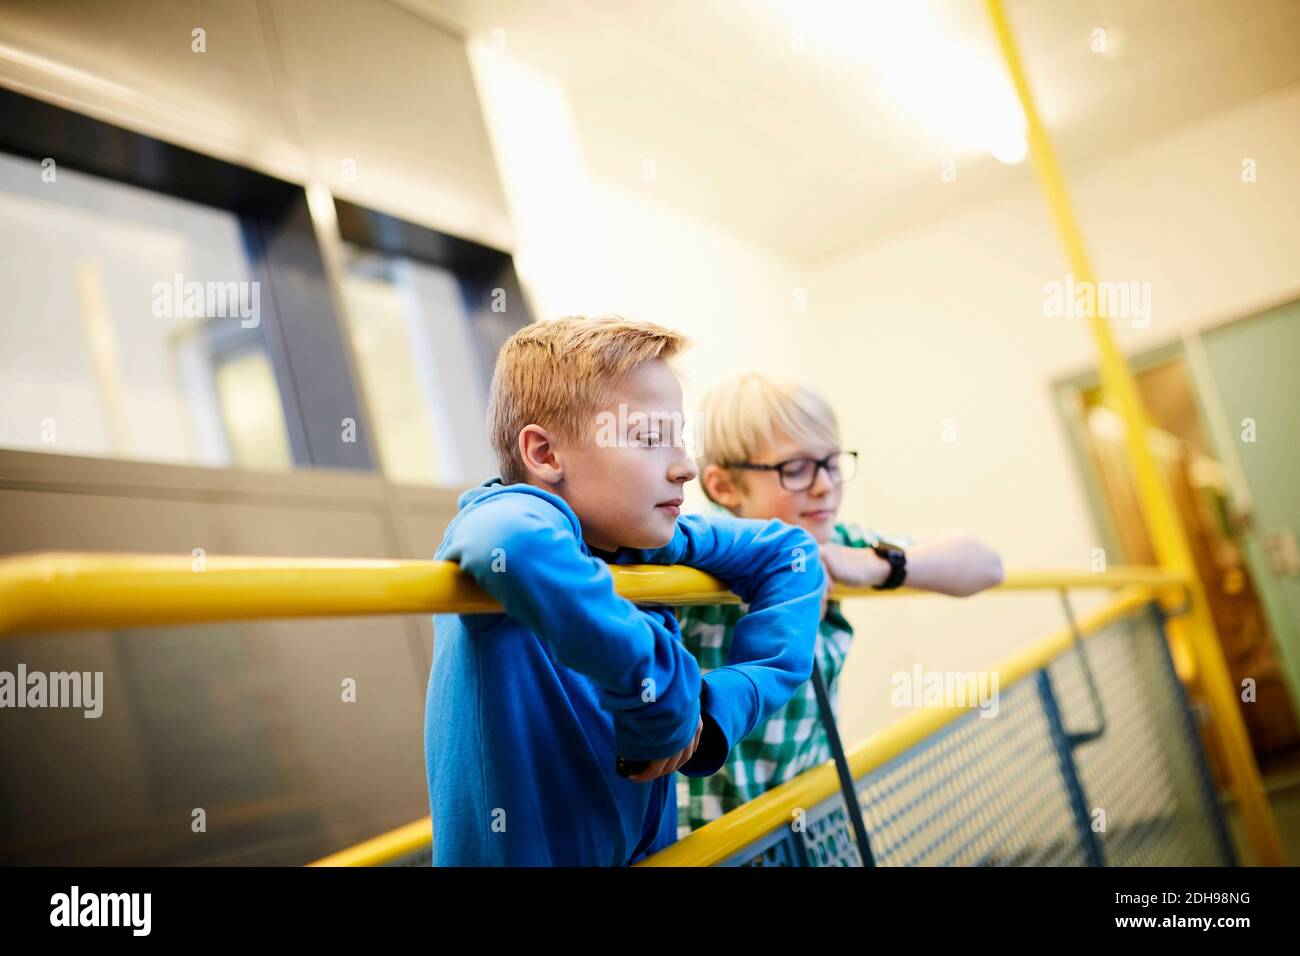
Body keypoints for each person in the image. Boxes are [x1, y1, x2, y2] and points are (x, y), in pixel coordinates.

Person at [425, 317, 825, 865]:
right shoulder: (509, 514)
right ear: (544, 455)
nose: (684, 466)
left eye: (679, 438)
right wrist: (663, 698)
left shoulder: (640, 539)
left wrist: (717, 707)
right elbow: (511, 542)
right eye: (649, 438)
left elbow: (793, 552)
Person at [677, 373, 1004, 834]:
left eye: (832, 463)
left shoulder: (836, 543)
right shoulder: (701, 554)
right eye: (795, 468)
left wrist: (877, 565)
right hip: (715, 838)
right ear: (725, 487)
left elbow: (986, 565)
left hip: (813, 826)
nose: (824, 485)